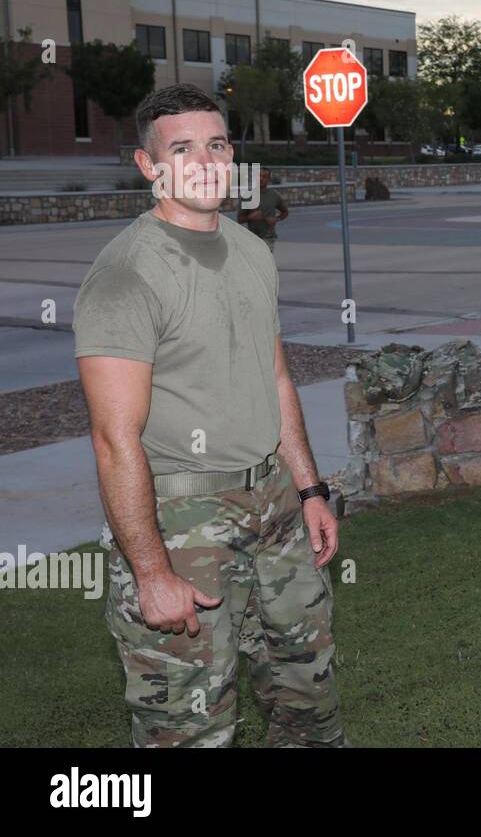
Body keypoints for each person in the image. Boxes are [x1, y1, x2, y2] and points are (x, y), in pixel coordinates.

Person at [73, 83, 346, 748]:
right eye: (182, 148)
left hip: (276, 505)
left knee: (307, 690)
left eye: (217, 144)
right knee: (190, 724)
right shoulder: (126, 277)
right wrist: (151, 572)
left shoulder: (252, 252)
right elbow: (114, 442)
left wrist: (308, 488)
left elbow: (274, 376)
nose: (205, 162)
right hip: (184, 522)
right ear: (149, 167)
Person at [237, 167, 290, 252]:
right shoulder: (247, 196)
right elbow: (240, 219)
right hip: (252, 237)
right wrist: (250, 217)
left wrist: (277, 218)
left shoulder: (274, 195)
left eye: (264, 176)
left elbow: (285, 212)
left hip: (268, 237)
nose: (261, 179)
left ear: (268, 179)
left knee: (265, 263)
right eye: (259, 176)